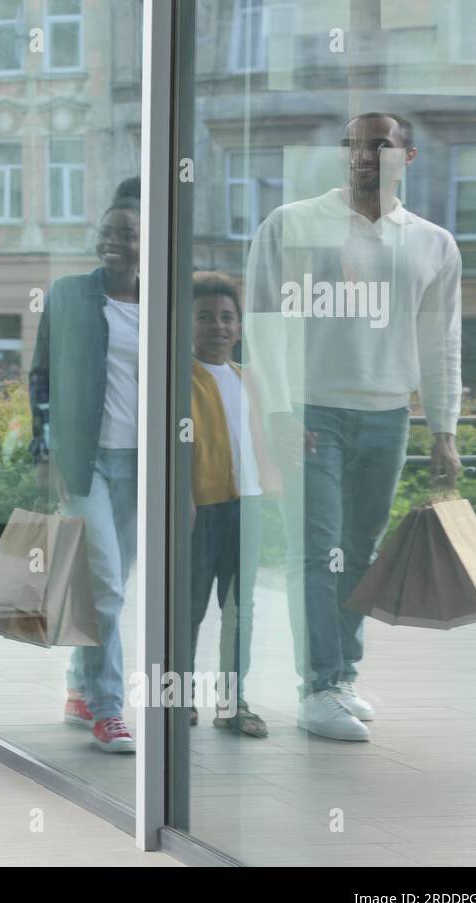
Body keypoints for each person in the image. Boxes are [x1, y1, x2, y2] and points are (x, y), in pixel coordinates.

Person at [244, 111, 462, 742]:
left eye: (380, 144)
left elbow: (439, 341)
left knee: (358, 554)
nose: (364, 155)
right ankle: (317, 686)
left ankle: (341, 678)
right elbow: (262, 326)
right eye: (354, 145)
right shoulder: (292, 223)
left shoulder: (431, 242)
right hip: (312, 412)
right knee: (316, 552)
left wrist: (442, 429)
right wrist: (279, 412)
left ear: (408, 157)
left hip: (387, 415)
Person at [30, 179, 142, 754]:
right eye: (108, 233)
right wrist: (44, 449)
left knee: (112, 586)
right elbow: (41, 375)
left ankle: (78, 686)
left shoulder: (163, 302)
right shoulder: (71, 294)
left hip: (143, 464)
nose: (114, 242)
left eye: (127, 234)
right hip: (86, 460)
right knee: (105, 586)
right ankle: (108, 708)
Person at [187, 270, 278, 737]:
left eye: (227, 317)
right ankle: (177, 698)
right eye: (204, 317)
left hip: (248, 508)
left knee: (240, 609)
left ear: (239, 327)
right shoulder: (180, 377)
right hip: (201, 509)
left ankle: (233, 701)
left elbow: (260, 438)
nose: (218, 326)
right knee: (189, 608)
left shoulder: (248, 378)